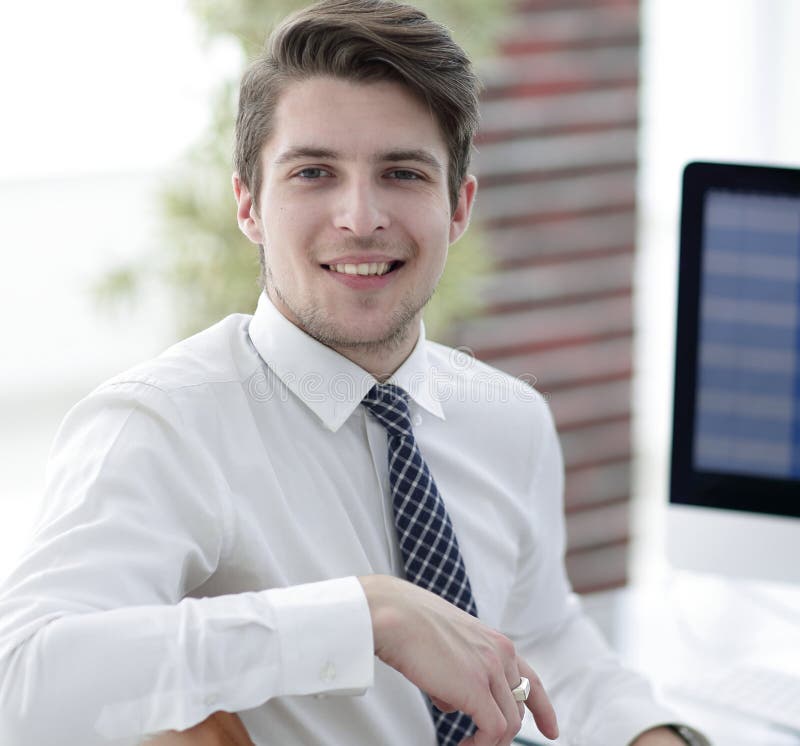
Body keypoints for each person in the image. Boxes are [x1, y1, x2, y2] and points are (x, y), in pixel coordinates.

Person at [0, 2, 708, 745]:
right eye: (313, 173)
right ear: (249, 203)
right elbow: (19, 680)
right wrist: (364, 616)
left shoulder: (509, 416)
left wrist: (652, 733)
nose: (360, 216)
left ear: (457, 206)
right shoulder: (165, 426)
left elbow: (542, 633)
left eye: (401, 173)